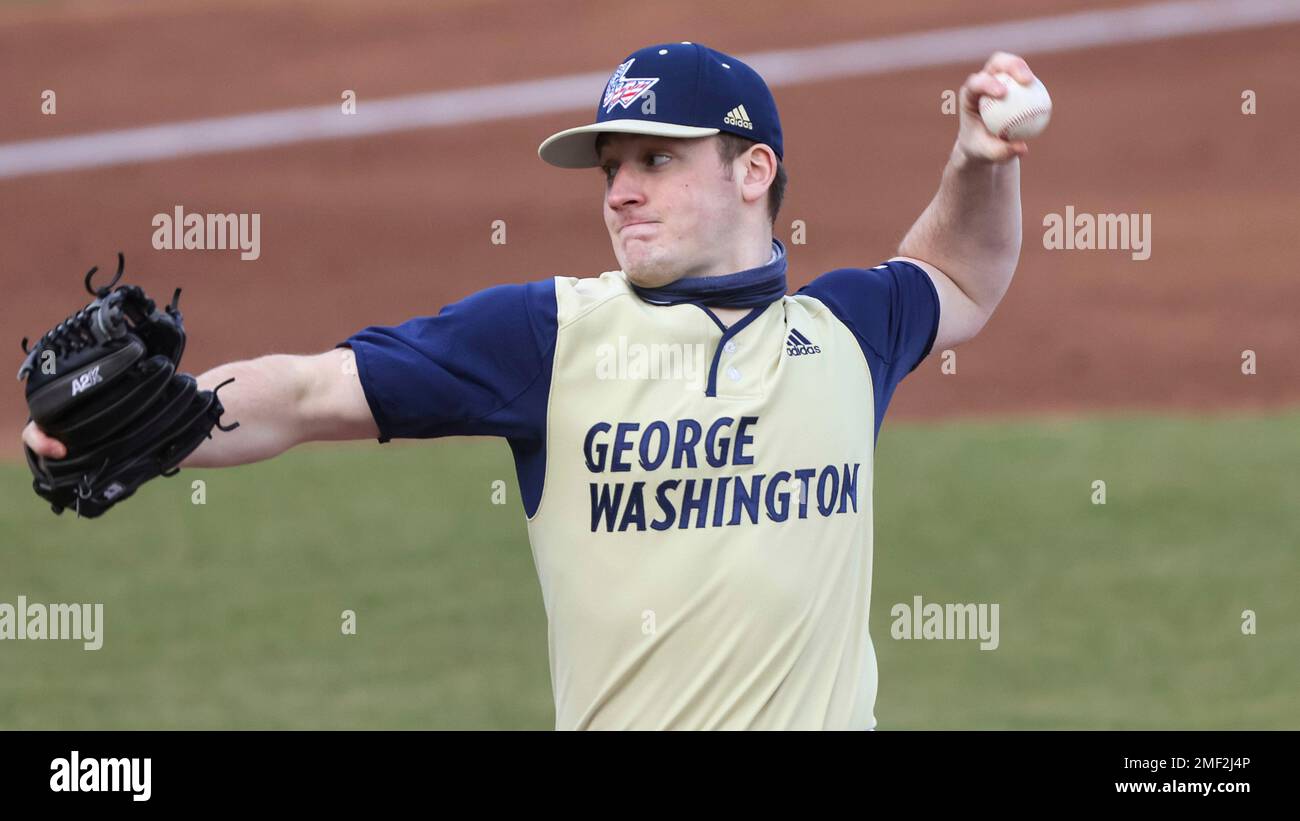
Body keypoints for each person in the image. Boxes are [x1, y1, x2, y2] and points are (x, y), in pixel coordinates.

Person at [23, 42, 1034, 729]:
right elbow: (314, 390)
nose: (622, 188)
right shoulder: (550, 335)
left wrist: (978, 161)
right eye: (609, 167)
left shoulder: (845, 331)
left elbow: (957, 276)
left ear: (752, 169)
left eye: (655, 159)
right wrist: (162, 422)